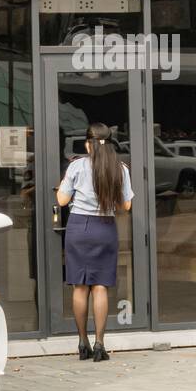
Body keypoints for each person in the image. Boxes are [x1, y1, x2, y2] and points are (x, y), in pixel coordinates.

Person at [57, 122, 133, 362]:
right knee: (100, 286)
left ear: (88, 144)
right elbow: (126, 206)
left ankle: (82, 342)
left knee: (80, 286)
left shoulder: (77, 166)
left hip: (79, 227)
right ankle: (100, 344)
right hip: (105, 227)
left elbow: (61, 200)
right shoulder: (119, 169)